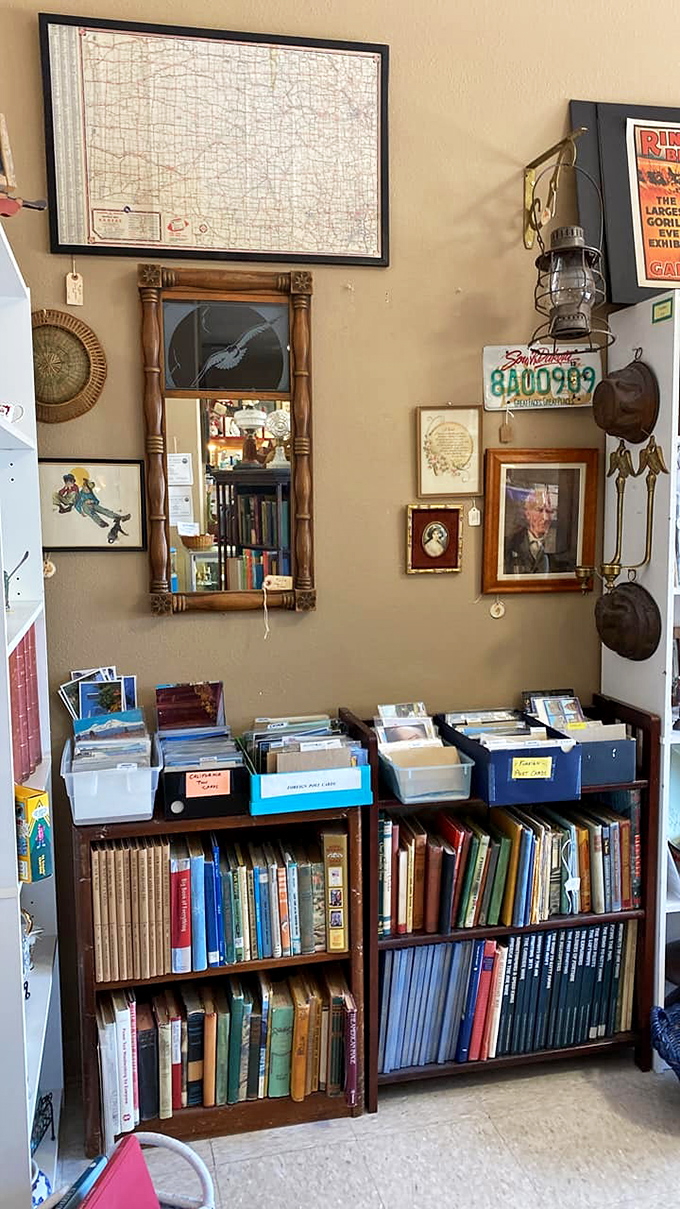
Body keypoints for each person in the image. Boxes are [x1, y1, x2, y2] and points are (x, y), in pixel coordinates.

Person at [504, 487, 557, 574]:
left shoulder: (558, 545)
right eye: (539, 510)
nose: (545, 517)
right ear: (527, 513)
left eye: (549, 511)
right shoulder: (511, 542)